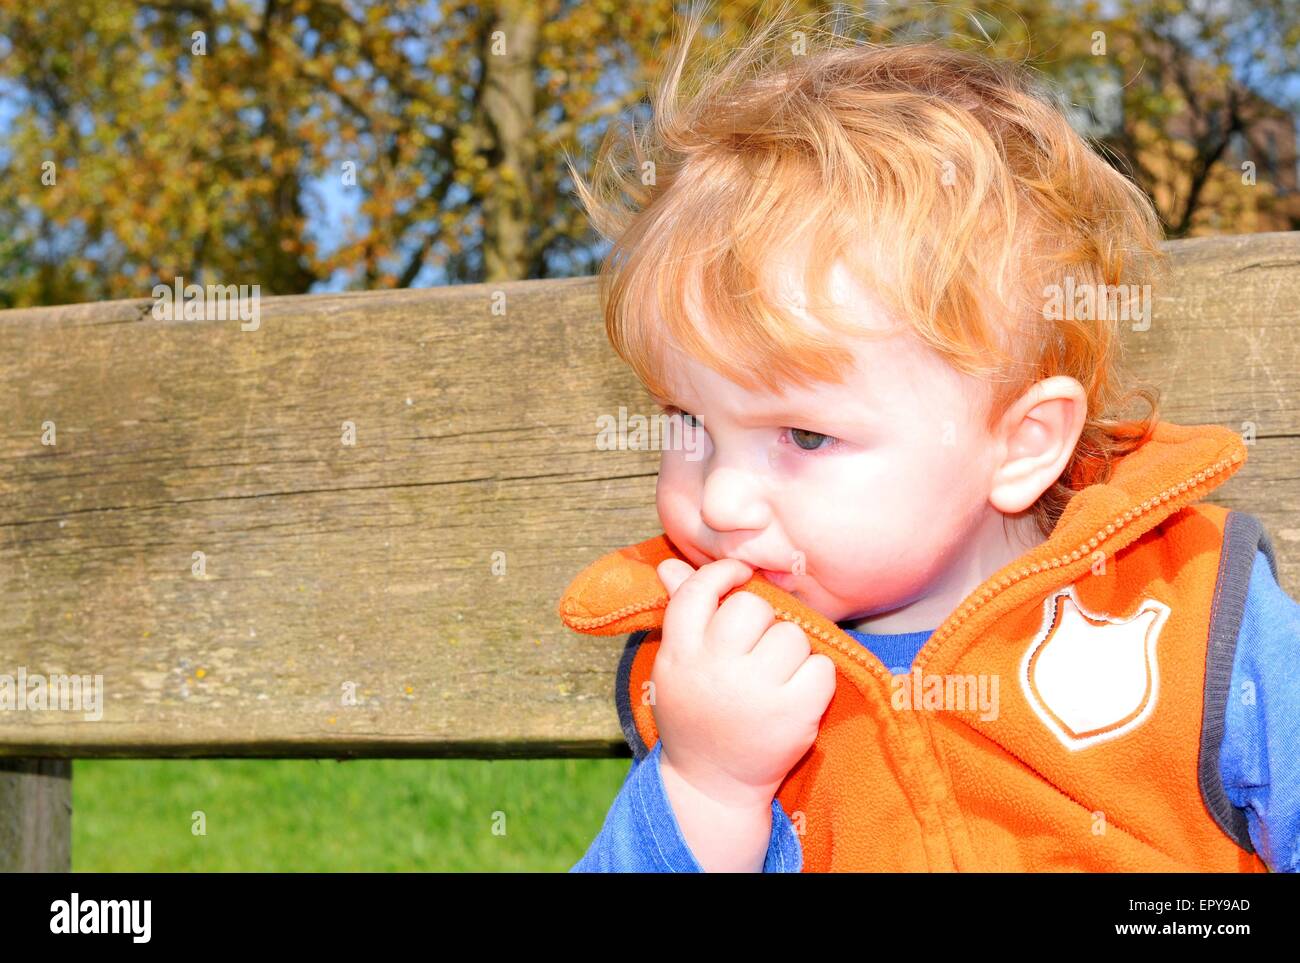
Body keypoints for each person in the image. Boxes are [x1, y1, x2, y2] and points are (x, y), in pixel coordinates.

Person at [557, 6, 1299, 872]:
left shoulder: (1194, 611)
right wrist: (707, 786)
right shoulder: (716, 679)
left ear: (1022, 444)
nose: (719, 496)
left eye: (803, 433)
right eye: (686, 421)